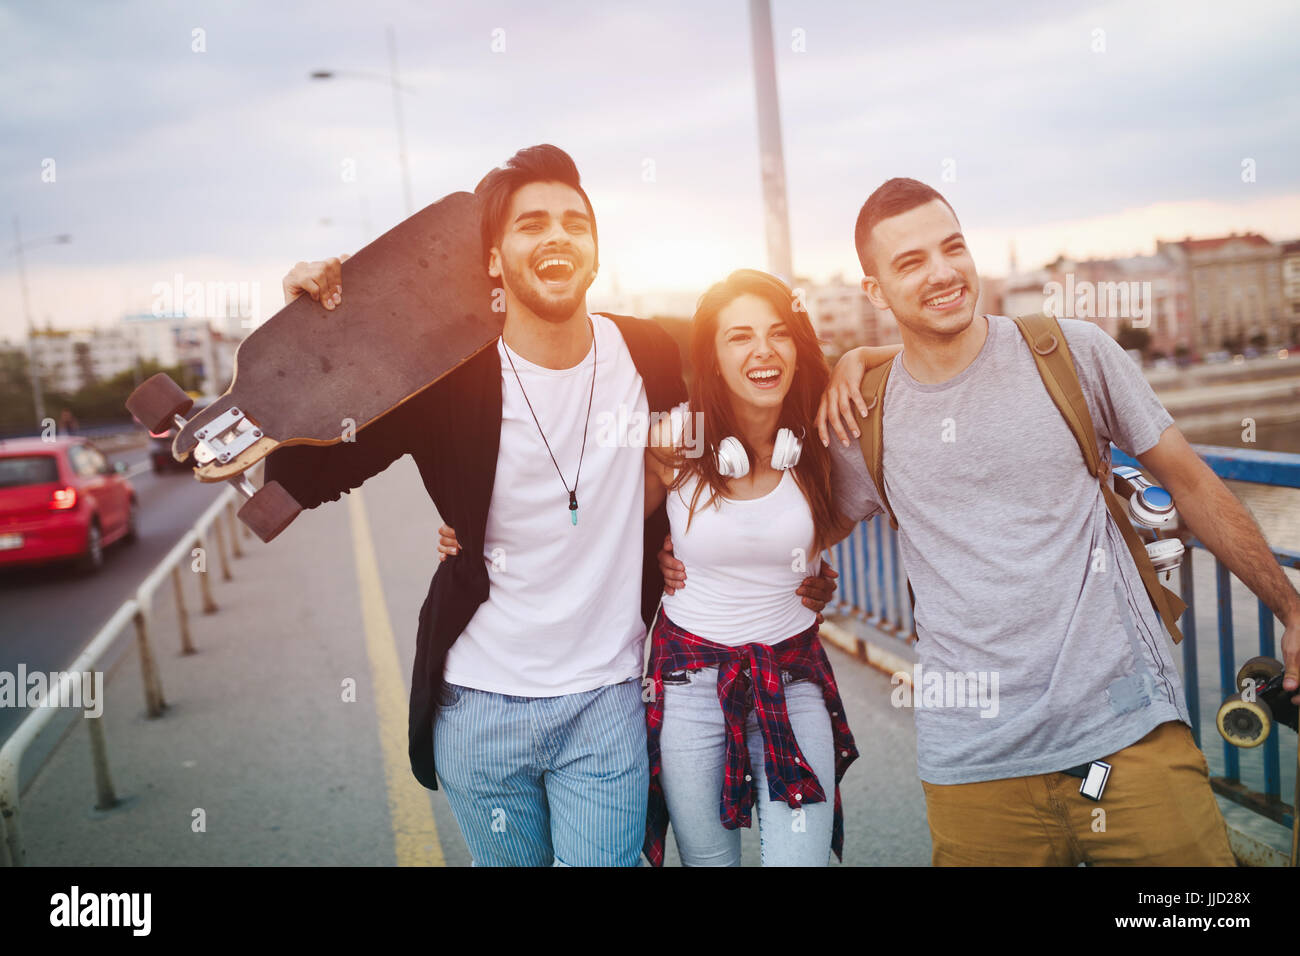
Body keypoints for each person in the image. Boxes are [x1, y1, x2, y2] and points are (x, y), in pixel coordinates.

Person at [265, 144, 836, 866]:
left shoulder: (648, 351)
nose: (557, 234)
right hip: (478, 706)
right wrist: (302, 338)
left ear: (594, 252)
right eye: (531, 223)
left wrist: (800, 558)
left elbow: (750, 402)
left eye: (574, 221)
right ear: (496, 260)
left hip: (608, 700)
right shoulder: (441, 382)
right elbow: (302, 475)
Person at [783, 176, 1299, 865]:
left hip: (1127, 735)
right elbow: (795, 530)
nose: (942, 273)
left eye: (953, 247)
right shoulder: (865, 416)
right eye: (910, 263)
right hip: (974, 763)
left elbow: (1194, 485)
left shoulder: (1071, 352)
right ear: (874, 291)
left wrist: (1292, 612)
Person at [639, 269, 882, 866]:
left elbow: (943, 353)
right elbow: (604, 529)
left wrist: (860, 357)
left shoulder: (824, 443)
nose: (764, 351)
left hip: (791, 677)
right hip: (690, 684)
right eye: (739, 337)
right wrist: (474, 530)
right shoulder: (677, 441)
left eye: (778, 334)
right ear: (713, 358)